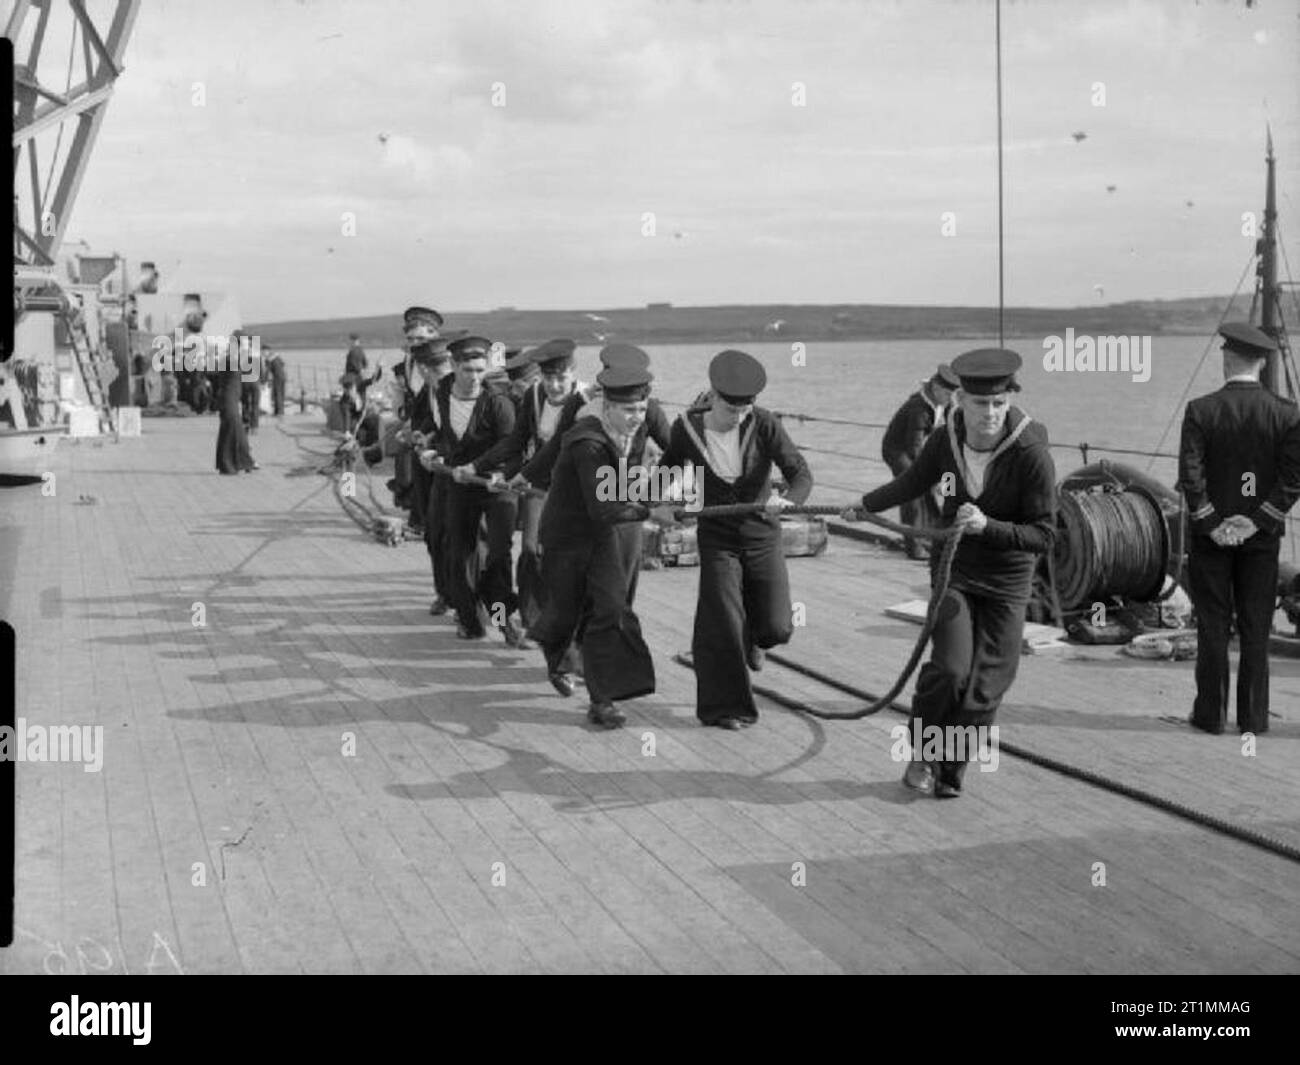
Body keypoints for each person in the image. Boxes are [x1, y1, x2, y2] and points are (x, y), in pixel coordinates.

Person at [842, 348, 1055, 798]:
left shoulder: (1031, 450)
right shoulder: (945, 439)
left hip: (1007, 582)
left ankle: (949, 768)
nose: (991, 414)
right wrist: (865, 505)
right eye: (981, 404)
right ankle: (923, 753)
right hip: (955, 570)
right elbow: (912, 482)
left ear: (1010, 399)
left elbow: (1045, 535)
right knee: (950, 671)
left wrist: (988, 526)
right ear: (960, 400)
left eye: (999, 404)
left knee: (986, 687)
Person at [658, 350, 813, 730]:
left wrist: (789, 500)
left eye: (746, 410)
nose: (739, 417)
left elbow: (800, 473)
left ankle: (756, 638)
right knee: (722, 621)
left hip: (762, 534)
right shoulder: (687, 429)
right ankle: (726, 708)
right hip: (717, 538)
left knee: (778, 627)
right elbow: (666, 470)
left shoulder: (764, 424)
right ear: (713, 396)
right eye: (731, 410)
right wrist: (653, 502)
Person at [1177, 321, 1300, 736]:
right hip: (1261, 540)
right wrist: (1255, 521)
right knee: (1255, 627)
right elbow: (1292, 479)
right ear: (1263, 363)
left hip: (1210, 539)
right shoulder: (1287, 413)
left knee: (1213, 625)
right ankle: (1253, 718)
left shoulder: (1200, 410)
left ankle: (1210, 716)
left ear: (1227, 359)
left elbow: (1191, 478)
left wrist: (1213, 522)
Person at [528, 363, 661, 728]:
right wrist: (653, 508)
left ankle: (603, 701)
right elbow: (603, 505)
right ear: (607, 408)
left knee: (611, 608)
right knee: (565, 614)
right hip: (565, 539)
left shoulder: (631, 432)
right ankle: (551, 643)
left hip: (601, 536)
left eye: (641, 409)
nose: (636, 418)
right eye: (628, 410)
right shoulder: (587, 442)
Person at [475, 339, 585, 632]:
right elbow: (516, 442)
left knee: (554, 557)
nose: (554, 385)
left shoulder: (586, 400)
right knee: (524, 551)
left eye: (561, 378)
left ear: (573, 374)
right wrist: (479, 469)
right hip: (526, 484)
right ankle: (515, 618)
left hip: (570, 489)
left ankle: (538, 618)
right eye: (548, 378)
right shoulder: (528, 397)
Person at [428, 336, 522, 642]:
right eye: (468, 370)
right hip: (459, 484)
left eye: (480, 370)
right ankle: (469, 621)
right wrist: (431, 450)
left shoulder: (498, 402)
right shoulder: (442, 392)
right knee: (460, 553)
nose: (475, 377)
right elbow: (442, 433)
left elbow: (513, 447)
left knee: (497, 556)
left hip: (496, 486)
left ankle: (501, 619)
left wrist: (487, 470)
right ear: (453, 367)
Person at [881, 364, 959, 560]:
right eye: (948, 393)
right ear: (936, 389)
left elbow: (951, 432)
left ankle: (932, 539)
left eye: (954, 394)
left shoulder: (945, 404)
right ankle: (914, 546)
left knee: (933, 488)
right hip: (896, 450)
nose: (952, 398)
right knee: (912, 491)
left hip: (916, 450)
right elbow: (913, 448)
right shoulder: (919, 408)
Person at [215, 334, 257, 474]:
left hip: (231, 398)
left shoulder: (231, 359)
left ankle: (236, 463)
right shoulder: (231, 360)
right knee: (234, 431)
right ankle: (240, 463)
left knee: (230, 431)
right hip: (229, 399)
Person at [266, 345, 287, 416]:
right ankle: (281, 411)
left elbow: (267, 371)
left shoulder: (269, 359)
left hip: (277, 377)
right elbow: (283, 364)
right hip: (283, 376)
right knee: (281, 393)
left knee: (277, 394)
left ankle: (278, 412)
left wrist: (266, 380)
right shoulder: (277, 357)